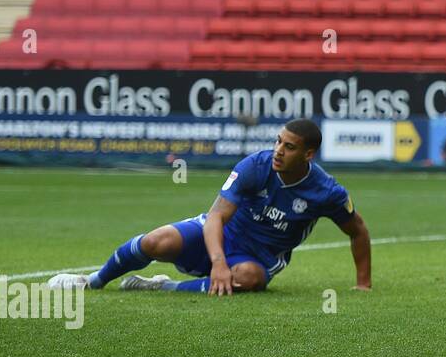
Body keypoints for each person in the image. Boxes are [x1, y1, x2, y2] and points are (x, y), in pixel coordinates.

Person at [46, 119, 373, 294]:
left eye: (288, 147)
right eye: (277, 141)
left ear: (308, 155)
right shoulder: (255, 165)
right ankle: (94, 281)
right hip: (220, 234)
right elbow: (216, 216)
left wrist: (363, 283)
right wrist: (217, 260)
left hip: (257, 257)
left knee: (248, 277)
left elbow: (356, 230)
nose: (278, 151)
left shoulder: (326, 192)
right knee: (154, 241)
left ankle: (162, 287)